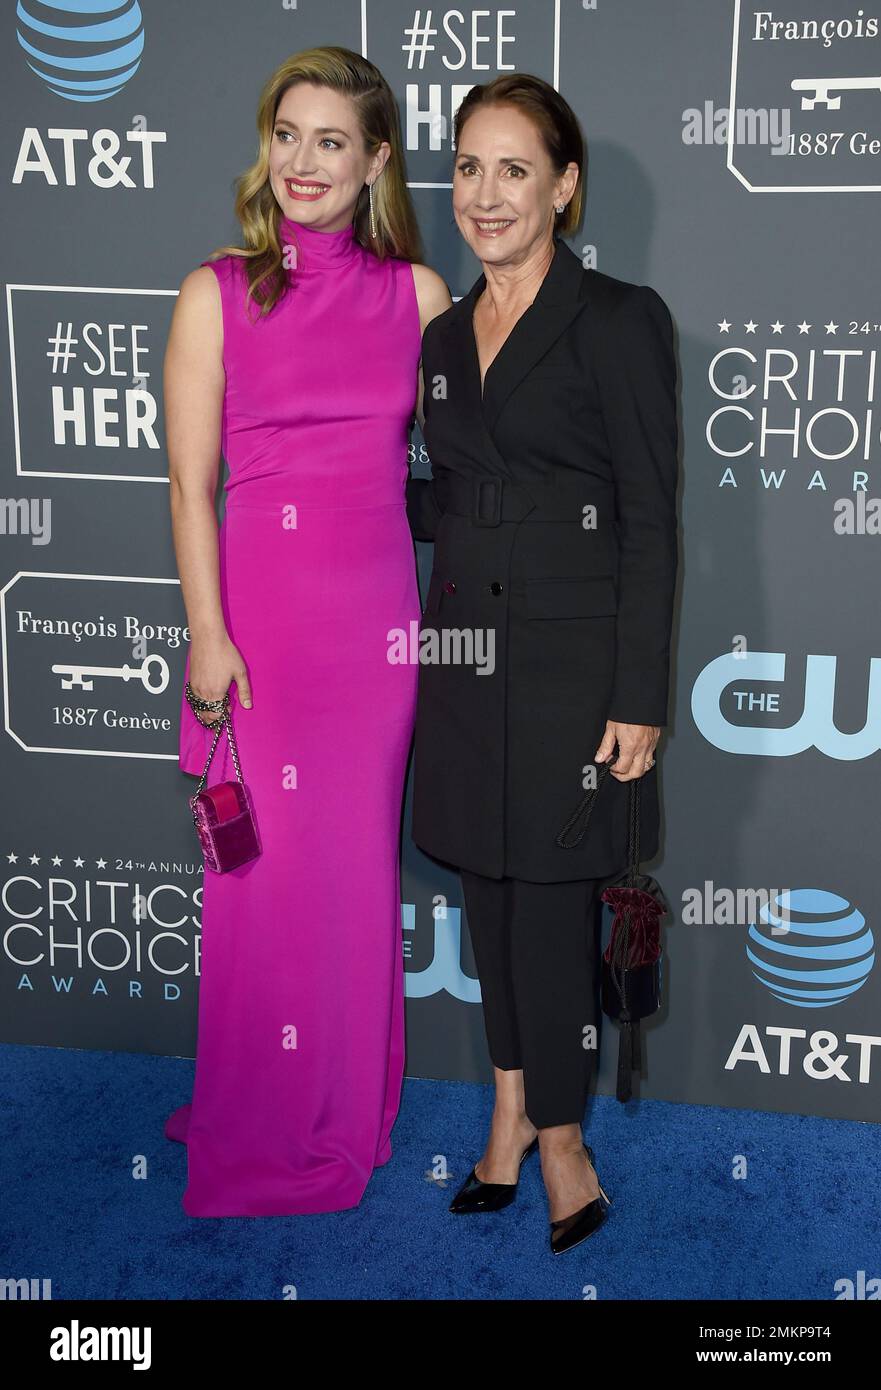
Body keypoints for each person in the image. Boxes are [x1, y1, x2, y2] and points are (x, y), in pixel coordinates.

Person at [163, 46, 449, 1217]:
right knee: (259, 882)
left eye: (331, 141)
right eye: (288, 134)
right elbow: (190, 490)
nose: (303, 162)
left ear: (376, 159)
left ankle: (340, 1102)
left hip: (375, 639)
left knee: (345, 878)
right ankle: (253, 1105)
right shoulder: (215, 292)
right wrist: (206, 634)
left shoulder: (418, 298)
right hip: (262, 638)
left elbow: (478, 462)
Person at [407, 74, 678, 1253]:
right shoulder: (436, 338)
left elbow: (651, 520)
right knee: (489, 896)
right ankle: (509, 1113)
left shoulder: (618, 318)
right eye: (467, 166)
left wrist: (637, 697)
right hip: (463, 666)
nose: (484, 193)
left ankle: (562, 1139)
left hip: (574, 679)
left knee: (555, 910)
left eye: (513, 168)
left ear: (563, 187)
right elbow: (442, 501)